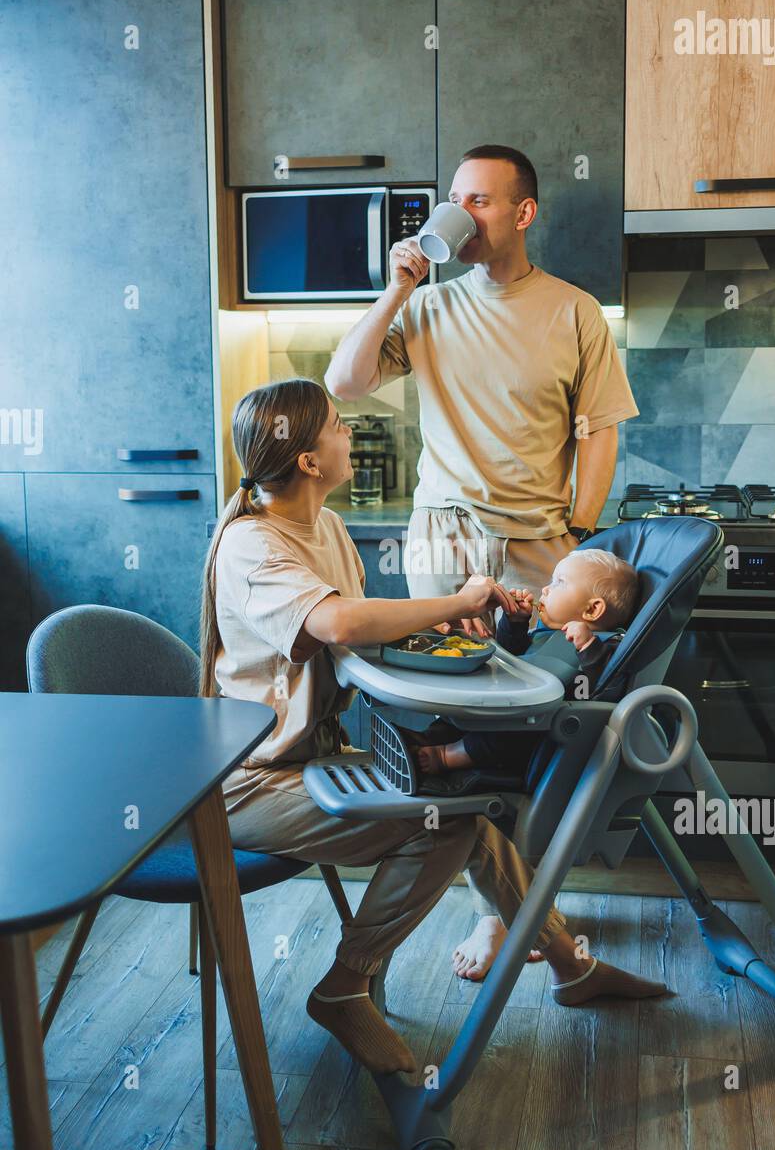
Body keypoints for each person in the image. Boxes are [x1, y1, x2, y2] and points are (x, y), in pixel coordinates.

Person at [200, 380, 666, 1077]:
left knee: (470, 811)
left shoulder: (322, 526)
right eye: (337, 427)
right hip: (247, 783)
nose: (349, 435)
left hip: (307, 756)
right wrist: (455, 598)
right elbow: (335, 624)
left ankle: (571, 966)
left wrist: (436, 620)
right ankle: (344, 986)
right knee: (445, 823)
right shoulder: (250, 545)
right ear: (306, 461)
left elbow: (352, 628)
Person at [325, 142, 640, 979]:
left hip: (542, 550)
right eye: (455, 197)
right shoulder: (427, 309)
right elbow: (344, 381)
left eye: (481, 201)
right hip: (444, 543)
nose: (461, 213)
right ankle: (497, 910)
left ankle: (526, 900)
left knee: (535, 731)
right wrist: (397, 285)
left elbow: (600, 427)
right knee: (454, 722)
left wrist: (577, 525)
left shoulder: (574, 312)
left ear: (523, 213)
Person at [416, 549, 639, 780]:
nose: (545, 588)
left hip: (535, 729)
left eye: (559, 582)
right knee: (456, 715)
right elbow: (511, 655)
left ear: (592, 609)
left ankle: (447, 756)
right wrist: (515, 623)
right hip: (506, 701)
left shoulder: (606, 647)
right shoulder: (547, 632)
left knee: (503, 735)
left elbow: (607, 690)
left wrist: (588, 648)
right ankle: (426, 739)